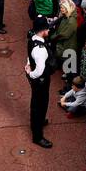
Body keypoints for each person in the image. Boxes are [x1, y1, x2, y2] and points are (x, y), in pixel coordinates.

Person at [25, 17, 54, 148]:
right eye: (47, 28)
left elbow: (29, 57)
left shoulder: (32, 40)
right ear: (43, 31)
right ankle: (37, 136)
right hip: (40, 80)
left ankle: (39, 121)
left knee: (39, 103)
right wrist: (31, 74)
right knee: (39, 104)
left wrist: (28, 68)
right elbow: (39, 70)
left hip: (38, 79)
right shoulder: (40, 49)